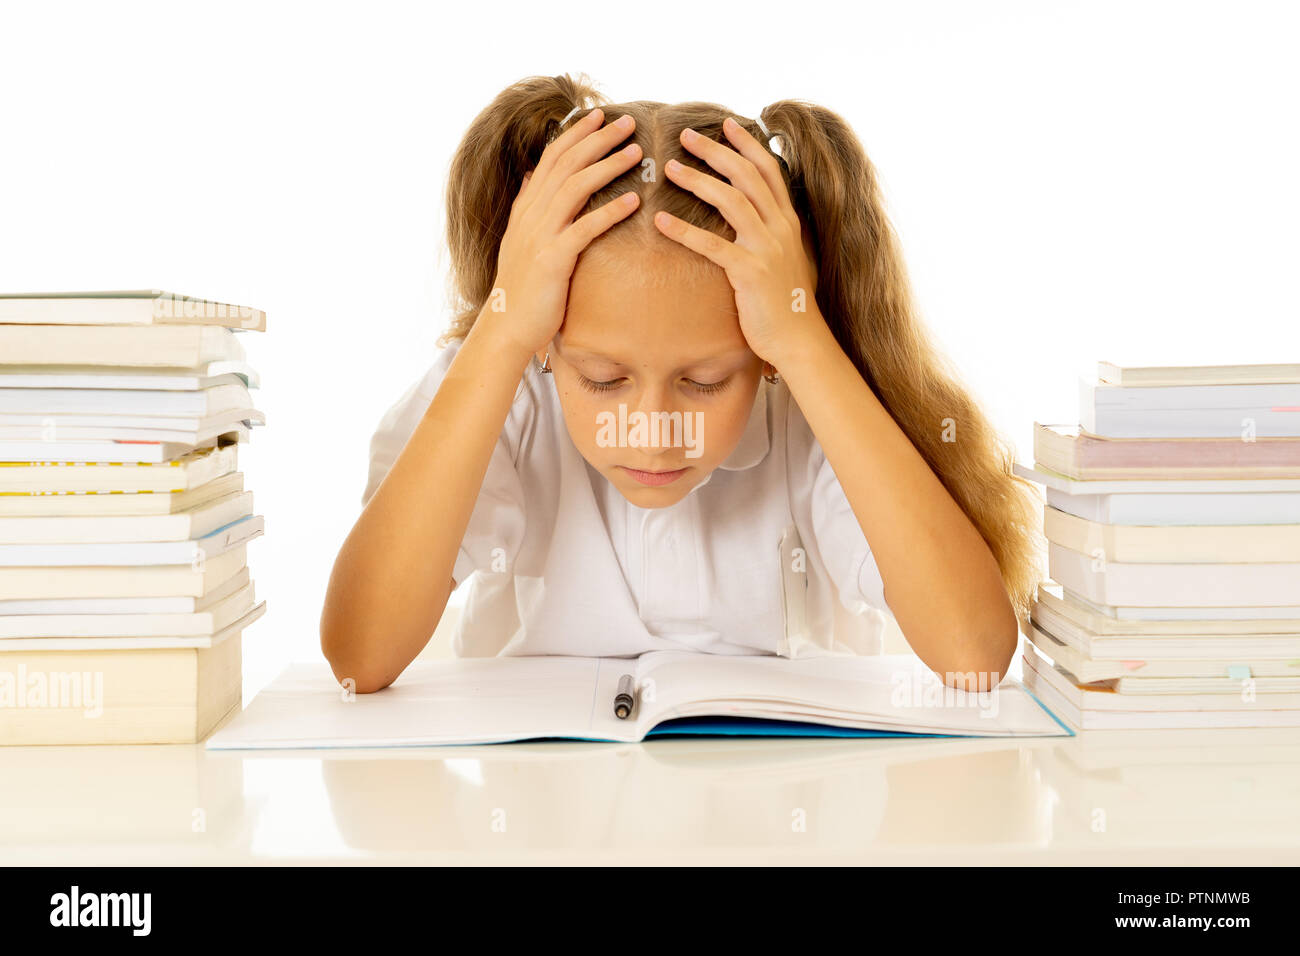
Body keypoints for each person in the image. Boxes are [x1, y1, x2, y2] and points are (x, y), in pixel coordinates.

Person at [320, 73, 1039, 694]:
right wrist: (503, 328)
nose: (652, 427)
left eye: (703, 380)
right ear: (548, 342)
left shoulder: (810, 404)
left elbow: (973, 655)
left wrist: (803, 334)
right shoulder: (501, 387)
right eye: (602, 380)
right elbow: (360, 656)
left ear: (763, 357)